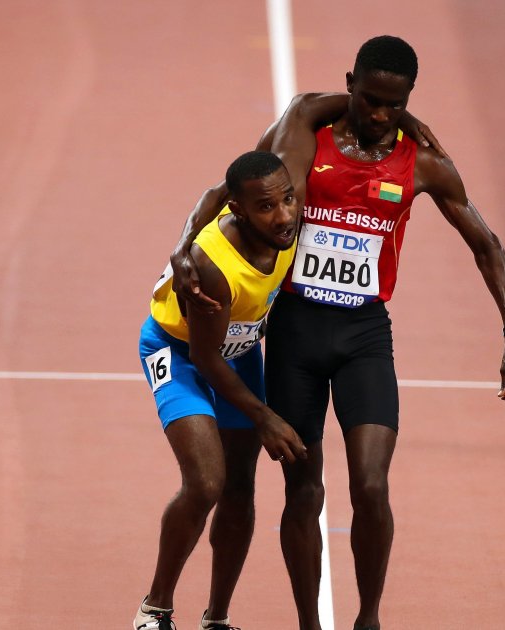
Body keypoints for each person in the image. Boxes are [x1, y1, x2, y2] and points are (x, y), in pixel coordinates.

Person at [170, 36, 505, 630]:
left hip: (364, 335)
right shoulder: (304, 136)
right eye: (370, 100)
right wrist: (184, 247)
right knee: (304, 489)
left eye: (396, 105)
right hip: (294, 333)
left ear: (409, 101)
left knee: (371, 485)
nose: (381, 115)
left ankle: (368, 619)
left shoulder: (423, 164)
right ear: (350, 85)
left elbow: (486, 245)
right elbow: (228, 189)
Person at [135, 151, 309, 630]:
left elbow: (216, 189)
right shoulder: (212, 265)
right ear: (238, 210)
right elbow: (206, 359)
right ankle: (154, 609)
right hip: (181, 352)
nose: (284, 216)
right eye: (266, 208)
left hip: (238, 349)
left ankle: (217, 619)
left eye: (288, 200)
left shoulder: (287, 220)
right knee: (207, 481)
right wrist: (264, 416)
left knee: (239, 486)